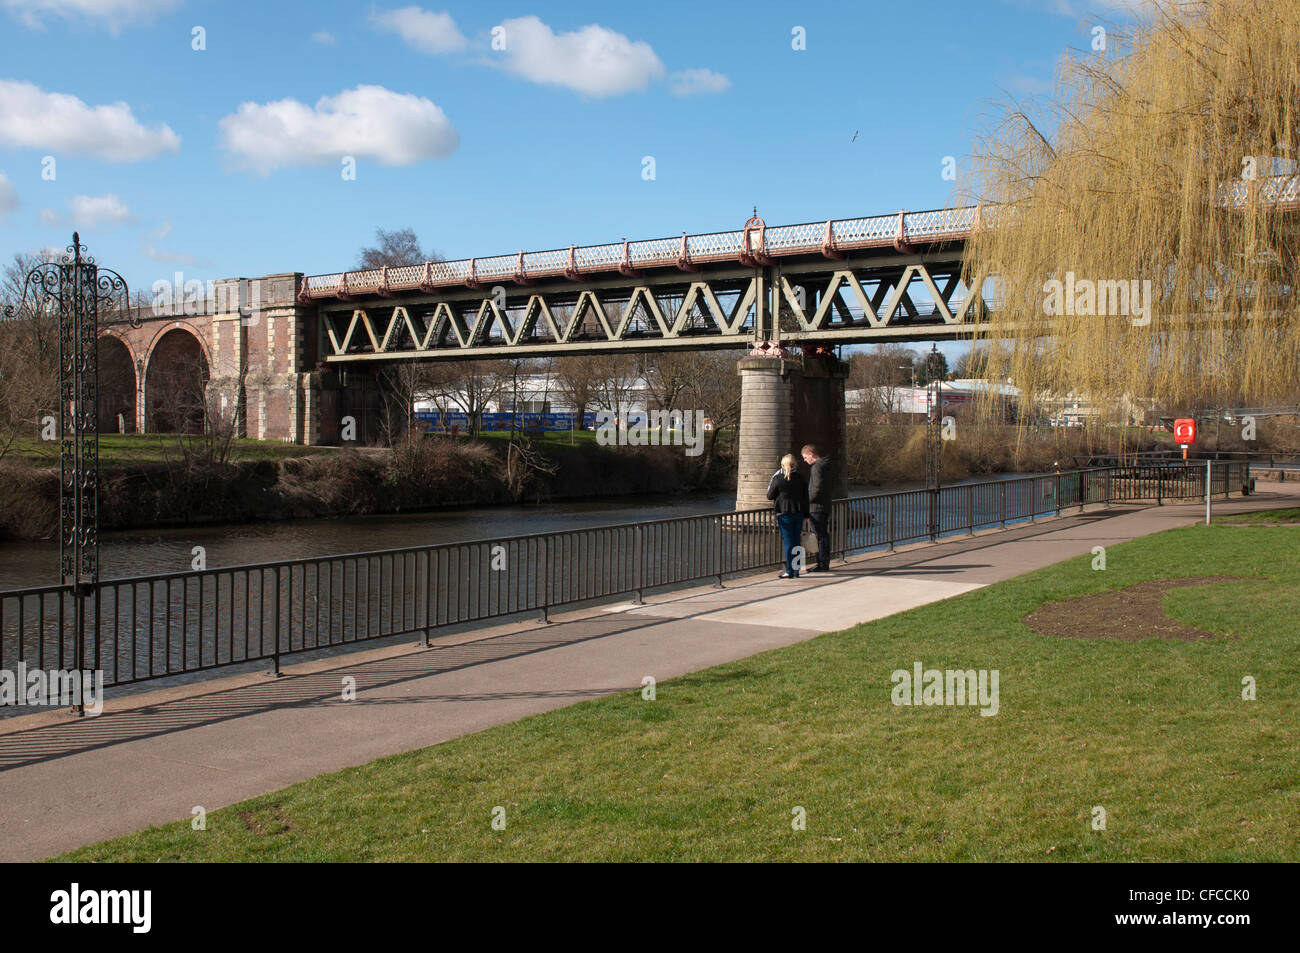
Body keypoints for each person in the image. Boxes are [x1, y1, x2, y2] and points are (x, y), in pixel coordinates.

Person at [766, 453, 810, 579]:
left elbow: (769, 495)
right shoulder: (801, 477)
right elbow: (805, 497)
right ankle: (796, 570)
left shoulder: (778, 478)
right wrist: (806, 514)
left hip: (784, 513)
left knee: (788, 543)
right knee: (797, 541)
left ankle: (789, 571)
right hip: (799, 513)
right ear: (795, 464)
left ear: (782, 464)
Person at [801, 443, 833, 572]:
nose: (804, 460)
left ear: (811, 454)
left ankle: (822, 563)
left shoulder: (816, 468)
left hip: (816, 508)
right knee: (823, 535)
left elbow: (816, 488)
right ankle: (823, 562)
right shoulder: (827, 466)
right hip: (825, 505)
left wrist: (807, 502)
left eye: (805, 457)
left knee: (820, 536)